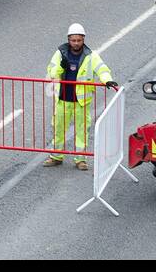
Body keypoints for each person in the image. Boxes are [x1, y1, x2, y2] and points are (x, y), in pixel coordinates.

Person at [43, 23, 117, 170]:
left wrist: (107, 79)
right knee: (58, 128)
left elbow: (101, 69)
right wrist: (60, 67)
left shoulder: (90, 56)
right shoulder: (60, 53)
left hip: (81, 101)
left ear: (83, 39)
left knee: (82, 130)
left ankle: (80, 159)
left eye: (79, 40)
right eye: (73, 40)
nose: (76, 43)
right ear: (68, 39)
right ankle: (56, 156)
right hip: (63, 99)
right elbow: (51, 70)